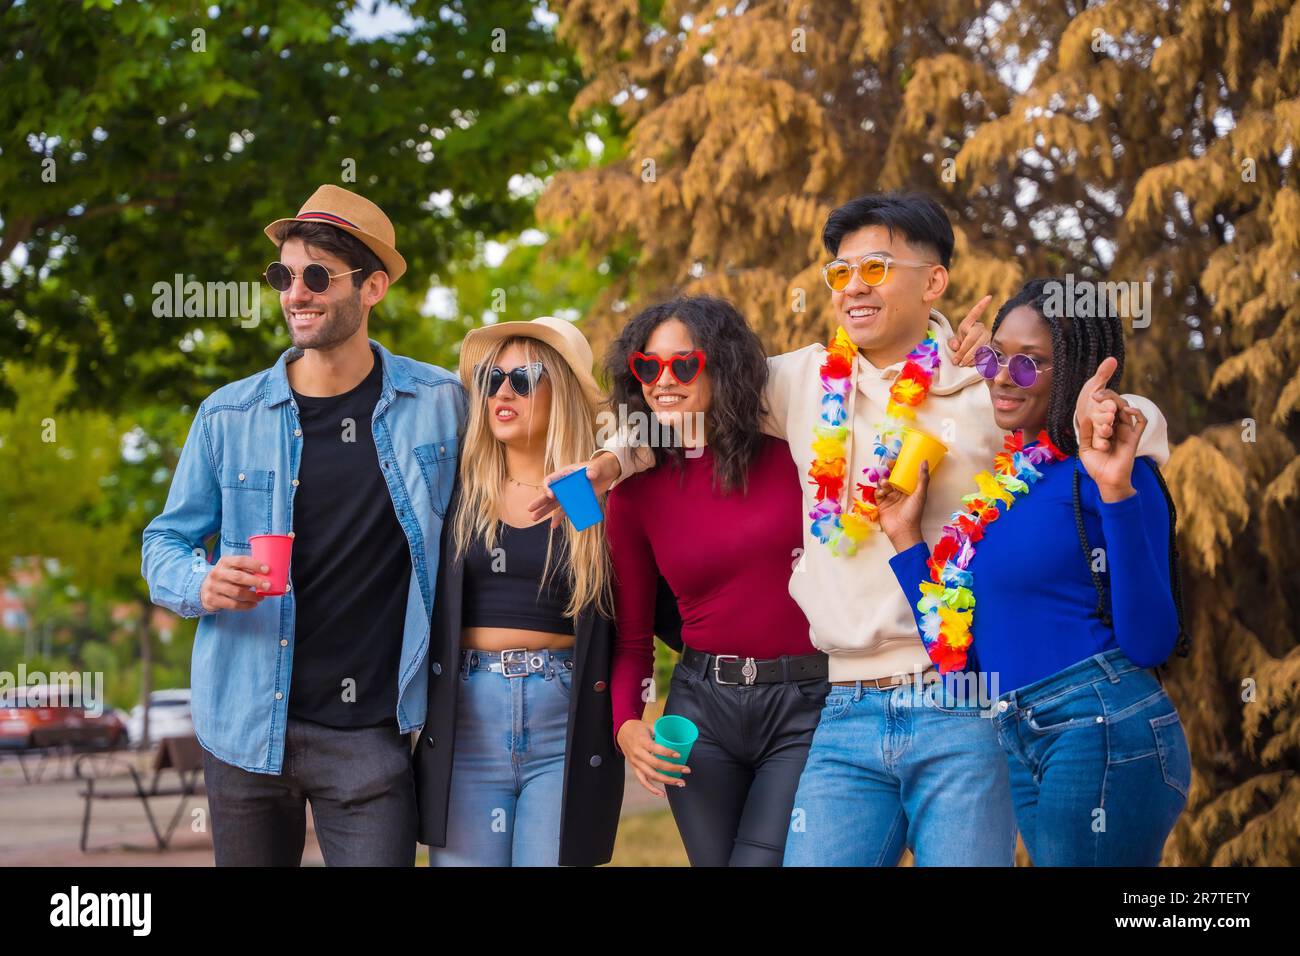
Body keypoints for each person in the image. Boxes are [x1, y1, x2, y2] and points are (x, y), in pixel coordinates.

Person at [535, 191, 1170, 866]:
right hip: (841, 706)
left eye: (876, 268)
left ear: (933, 282)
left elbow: (1131, 422)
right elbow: (684, 401)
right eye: (841, 273)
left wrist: (1113, 425)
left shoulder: (985, 384)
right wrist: (609, 462)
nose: (853, 288)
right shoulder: (801, 382)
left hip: (962, 699)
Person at [141, 185, 466, 865]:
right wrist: (202, 583)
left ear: (372, 287)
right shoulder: (228, 417)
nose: (296, 293)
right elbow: (163, 542)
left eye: (317, 275)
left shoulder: (438, 406)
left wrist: (619, 459)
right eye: (282, 276)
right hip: (245, 726)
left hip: (370, 737)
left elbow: (534, 451)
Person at [876, 278, 1192, 865]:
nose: (1000, 375)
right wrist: (905, 540)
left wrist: (1117, 489)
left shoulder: (1110, 475)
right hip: (1015, 732)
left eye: (1032, 363)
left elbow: (1151, 642)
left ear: (1073, 371)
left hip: (1099, 723)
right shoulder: (1004, 496)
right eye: (996, 355)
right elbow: (961, 666)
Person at [605, 296, 828, 866]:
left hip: (805, 704)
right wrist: (626, 724)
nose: (664, 381)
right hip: (701, 711)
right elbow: (631, 636)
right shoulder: (632, 493)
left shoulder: (797, 457)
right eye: (648, 368)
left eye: (684, 364)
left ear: (723, 364)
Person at [414, 316, 625, 866]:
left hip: (563, 720)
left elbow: (615, 603)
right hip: (467, 718)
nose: (503, 392)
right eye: (492, 379)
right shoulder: (459, 488)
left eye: (526, 378)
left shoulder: (582, 495)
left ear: (565, 393)